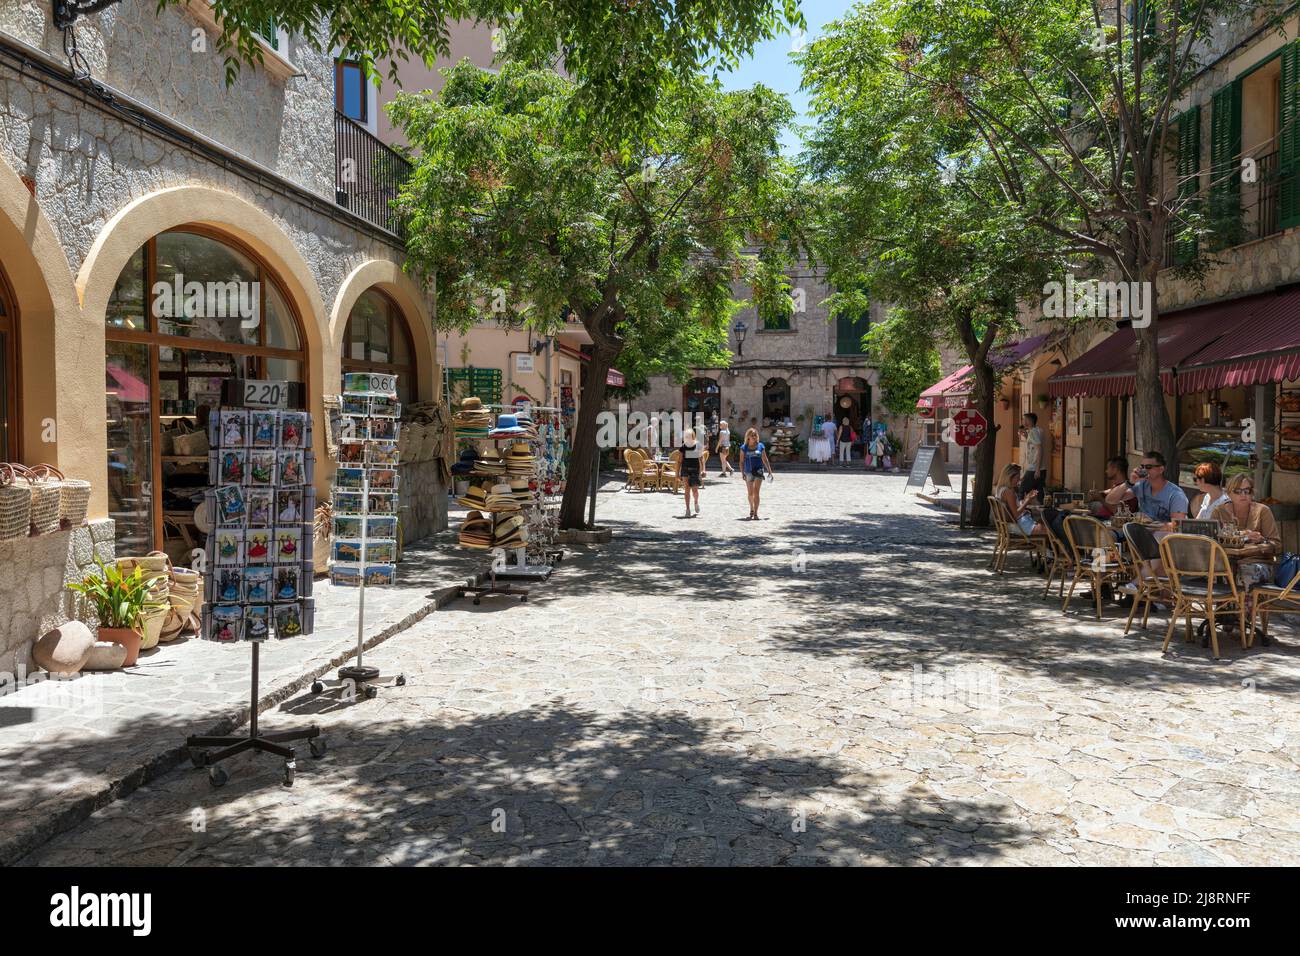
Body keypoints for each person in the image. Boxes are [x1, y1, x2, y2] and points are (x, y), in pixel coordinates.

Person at [1212, 473, 1280, 589]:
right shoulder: (1219, 512)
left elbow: (1277, 545)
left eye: (1247, 491)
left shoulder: (1262, 511)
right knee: (1216, 575)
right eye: (1237, 491)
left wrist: (1262, 540)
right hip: (1226, 562)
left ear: (1252, 493)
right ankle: (1226, 606)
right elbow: (1211, 540)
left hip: (1255, 561)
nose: (1243, 494)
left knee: (1245, 575)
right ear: (1229, 493)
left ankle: (1245, 607)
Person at [1131, 450, 1188, 529]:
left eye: (1148, 467)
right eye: (1142, 467)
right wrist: (1129, 483)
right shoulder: (1141, 485)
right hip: (1141, 533)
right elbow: (1111, 500)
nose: (1144, 470)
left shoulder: (1176, 494)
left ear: (1161, 469)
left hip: (1162, 537)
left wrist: (1152, 524)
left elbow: (1178, 526)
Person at [994, 463, 1042, 537]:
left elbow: (1012, 507)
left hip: (1016, 523)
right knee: (1052, 529)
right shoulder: (1009, 492)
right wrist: (1027, 500)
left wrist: (1025, 499)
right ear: (1009, 477)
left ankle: (1044, 547)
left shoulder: (1000, 489)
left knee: (1045, 523)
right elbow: (1016, 514)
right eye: (1017, 477)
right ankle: (1049, 548)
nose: (1019, 480)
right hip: (1022, 524)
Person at [740, 427, 773, 520]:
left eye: (755, 435)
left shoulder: (760, 446)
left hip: (758, 471)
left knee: (756, 492)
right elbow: (741, 461)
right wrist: (742, 472)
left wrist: (770, 471)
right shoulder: (744, 448)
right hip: (748, 472)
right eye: (752, 435)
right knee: (750, 493)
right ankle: (751, 508)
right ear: (748, 437)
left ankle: (756, 513)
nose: (754, 437)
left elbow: (765, 459)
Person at [1017, 413, 1046, 498]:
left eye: (1024, 419)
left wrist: (1037, 469)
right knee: (1039, 493)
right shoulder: (1038, 430)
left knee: (1022, 490)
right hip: (1040, 468)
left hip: (1034, 468)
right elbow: (1034, 445)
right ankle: (1042, 509)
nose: (1023, 422)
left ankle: (1019, 510)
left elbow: (1039, 449)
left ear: (1030, 421)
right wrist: (1026, 436)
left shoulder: (1033, 432)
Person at [677, 427, 704, 517]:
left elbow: (701, 458)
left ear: (693, 436)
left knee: (695, 491)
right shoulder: (683, 447)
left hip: (695, 470)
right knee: (687, 490)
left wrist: (703, 469)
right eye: (686, 436)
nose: (687, 437)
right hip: (685, 470)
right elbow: (679, 461)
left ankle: (696, 502)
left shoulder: (698, 445)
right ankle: (688, 509)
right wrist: (677, 473)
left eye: (689, 436)